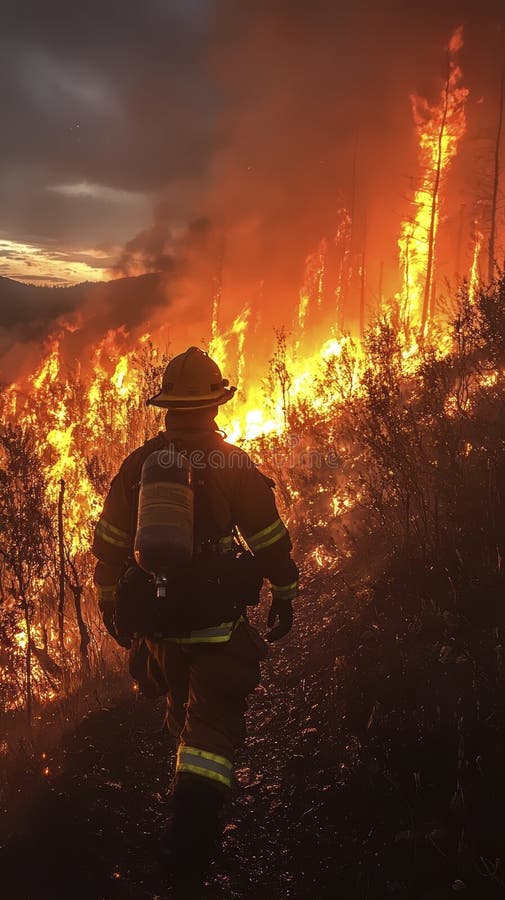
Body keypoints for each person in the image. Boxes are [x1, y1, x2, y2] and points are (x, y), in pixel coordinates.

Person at [92, 346, 299, 896]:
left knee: (182, 714)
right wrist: (286, 591)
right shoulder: (233, 465)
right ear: (214, 405)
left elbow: (110, 544)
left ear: (167, 407)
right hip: (215, 626)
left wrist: (111, 601)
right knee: (209, 735)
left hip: (158, 626)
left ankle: (187, 801)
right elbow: (269, 539)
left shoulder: (139, 464)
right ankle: (189, 848)